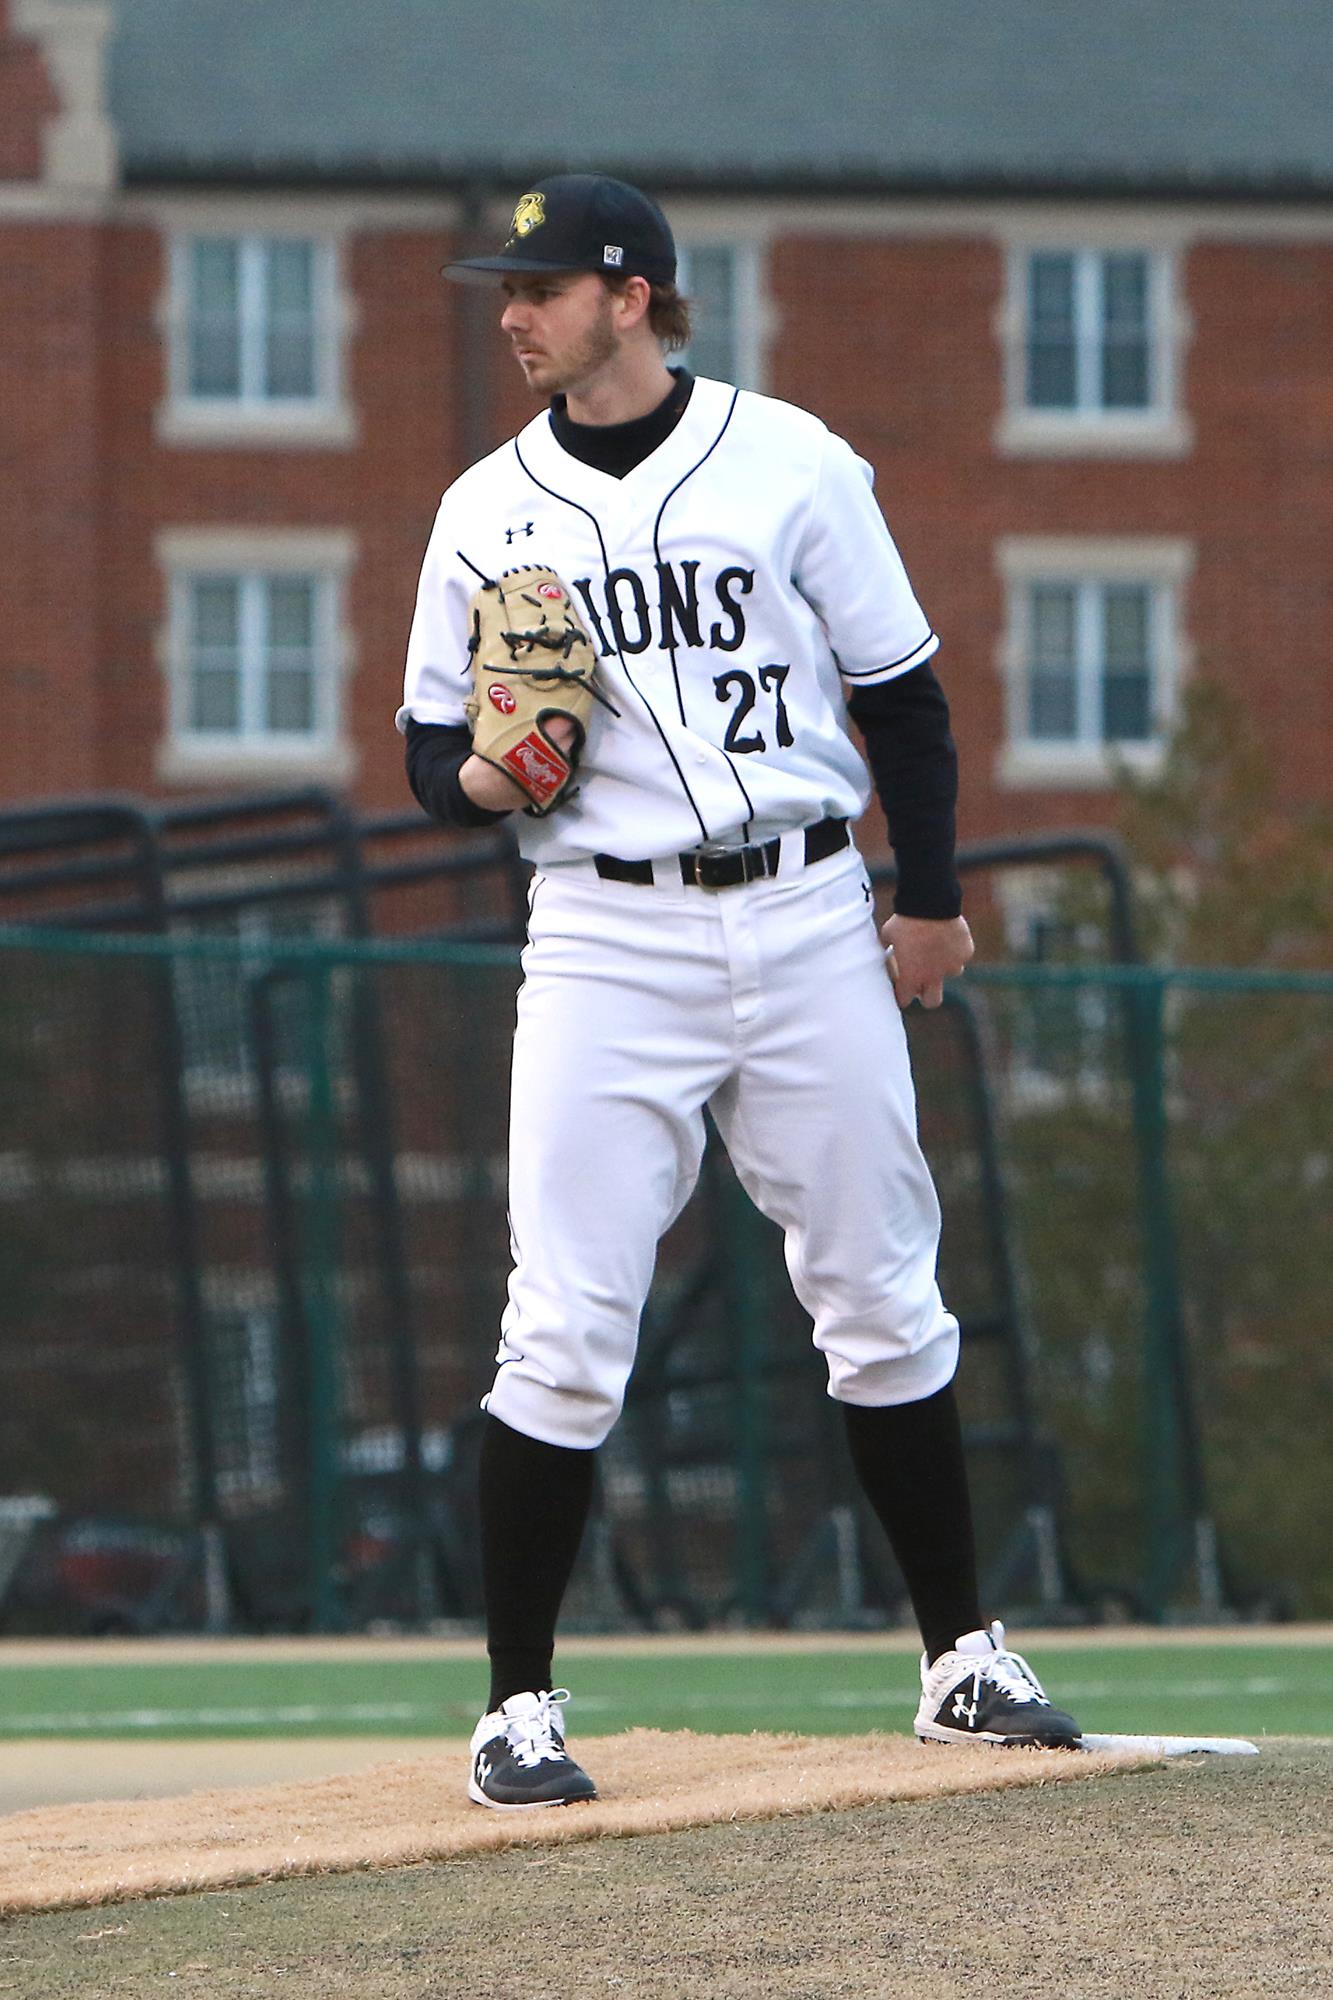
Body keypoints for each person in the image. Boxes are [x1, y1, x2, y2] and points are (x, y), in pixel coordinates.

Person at [398, 173, 1082, 1809]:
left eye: (544, 285)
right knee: (560, 1327)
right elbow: (432, 758)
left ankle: (958, 1660)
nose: (513, 309)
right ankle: (513, 1707)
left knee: (880, 1291)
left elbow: (901, 698)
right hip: (601, 933)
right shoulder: (482, 506)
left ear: (630, 295)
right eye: (510, 283)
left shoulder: (789, 463)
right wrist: (493, 777)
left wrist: (930, 900)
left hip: (801, 915)